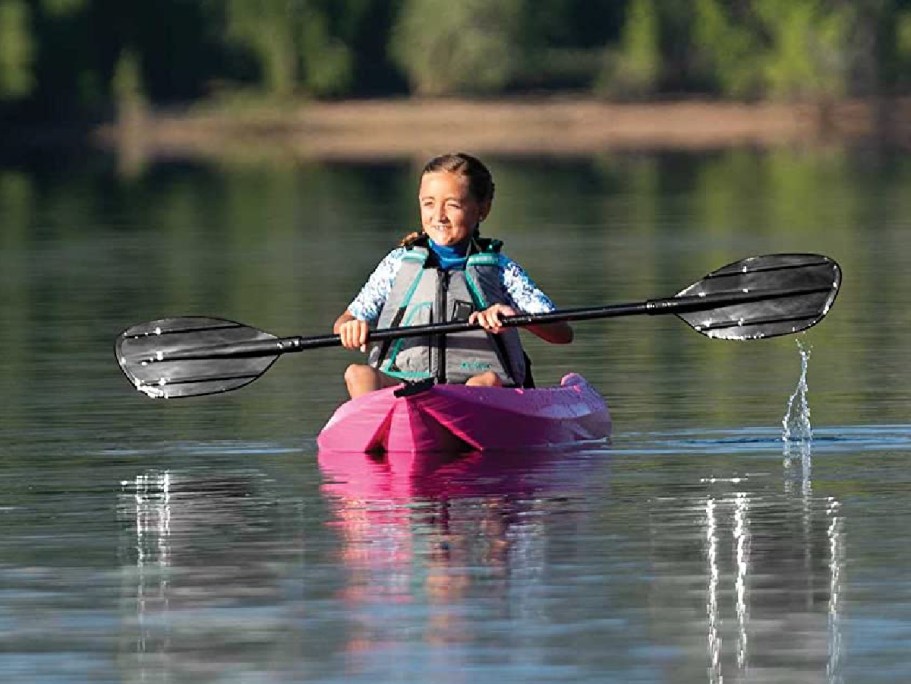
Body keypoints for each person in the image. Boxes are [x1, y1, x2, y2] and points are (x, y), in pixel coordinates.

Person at [333, 152, 572, 399]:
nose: (439, 216)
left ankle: (462, 422)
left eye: (453, 205)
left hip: (481, 391)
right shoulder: (397, 263)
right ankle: (375, 432)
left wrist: (516, 317)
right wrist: (350, 327)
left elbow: (562, 333)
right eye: (429, 203)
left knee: (487, 381)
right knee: (358, 373)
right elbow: (345, 320)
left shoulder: (501, 270)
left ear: (483, 209)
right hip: (405, 384)